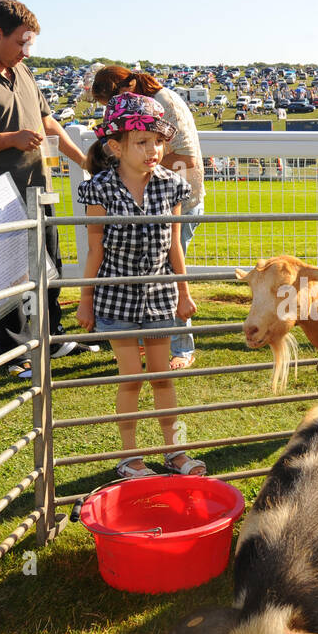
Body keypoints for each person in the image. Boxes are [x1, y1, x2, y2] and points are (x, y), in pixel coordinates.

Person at [0, 0, 91, 378]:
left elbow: (48, 122)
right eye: (21, 43)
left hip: (38, 191)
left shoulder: (22, 73)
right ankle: (12, 356)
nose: (26, 52)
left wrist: (83, 160)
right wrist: (10, 138)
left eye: (30, 44)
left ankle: (51, 337)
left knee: (50, 269)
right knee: (9, 280)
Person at [75, 93, 204, 477]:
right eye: (143, 142)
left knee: (163, 378)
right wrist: (86, 299)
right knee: (131, 379)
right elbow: (94, 247)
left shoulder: (171, 186)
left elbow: (174, 244)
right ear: (116, 147)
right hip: (116, 298)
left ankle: (175, 452)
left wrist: (184, 292)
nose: (154, 150)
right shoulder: (98, 188)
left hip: (161, 295)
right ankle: (130, 457)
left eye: (159, 142)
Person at [90, 65, 205, 369]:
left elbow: (187, 157)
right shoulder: (153, 101)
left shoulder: (163, 102)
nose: (112, 112)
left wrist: (135, 162)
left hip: (176, 200)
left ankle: (181, 347)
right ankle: (146, 338)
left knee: (167, 269)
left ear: (122, 90)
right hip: (151, 200)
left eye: (109, 103)